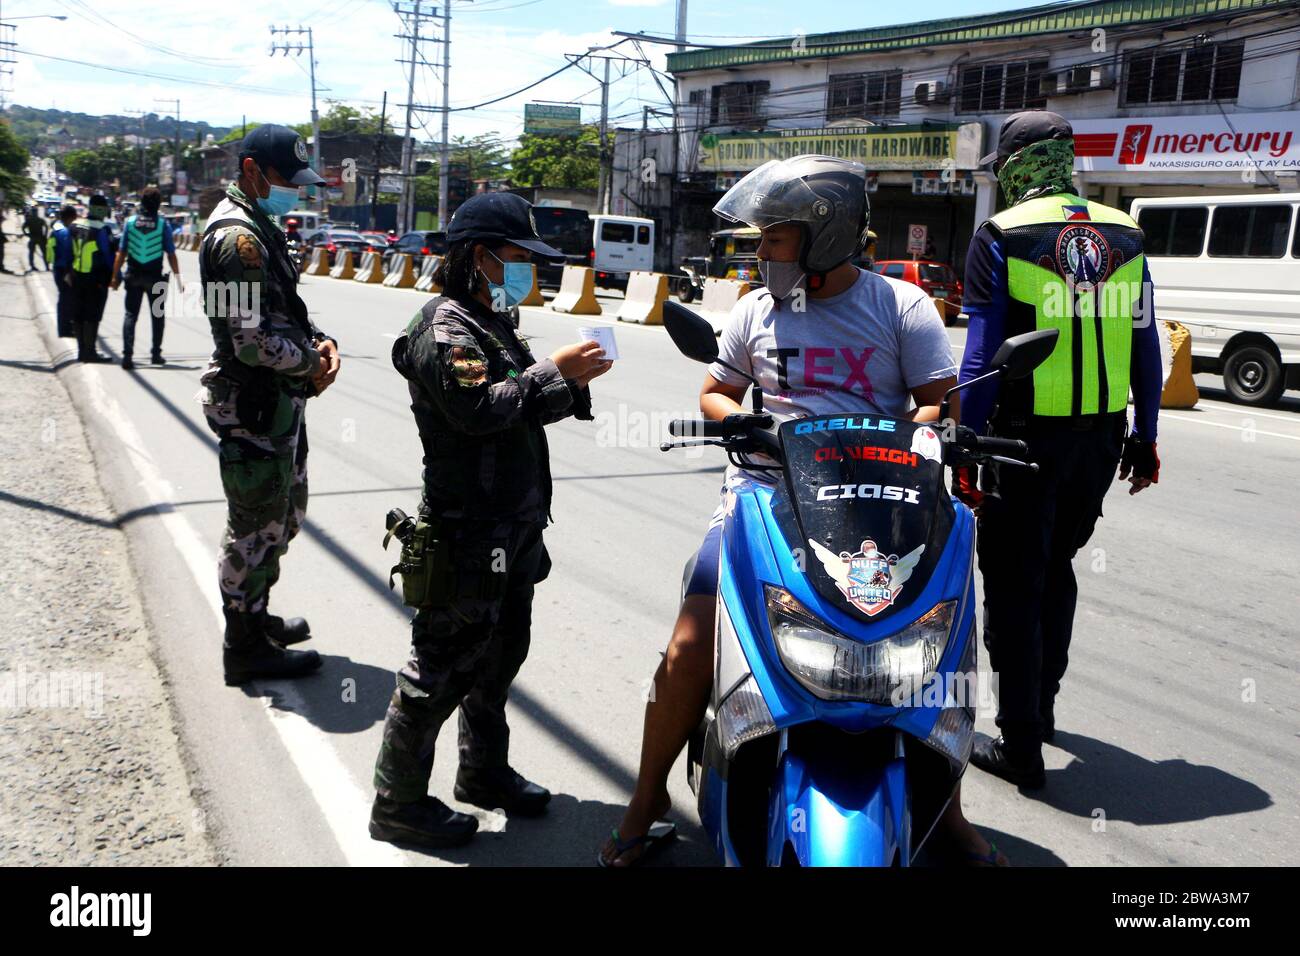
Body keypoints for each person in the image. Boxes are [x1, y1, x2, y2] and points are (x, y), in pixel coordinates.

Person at [599, 155, 1002, 866]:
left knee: (938, 649)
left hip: (882, 503)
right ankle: (646, 797)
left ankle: (952, 810)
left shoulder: (899, 307)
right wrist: (738, 421)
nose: (762, 254)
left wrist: (931, 424)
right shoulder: (757, 307)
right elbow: (717, 390)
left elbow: (941, 397)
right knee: (690, 647)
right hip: (762, 499)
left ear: (824, 235)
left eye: (774, 239)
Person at [369, 191, 611, 849]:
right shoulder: (445, 330)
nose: (525, 270)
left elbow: (523, 407)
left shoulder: (491, 319)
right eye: (516, 257)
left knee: (499, 660)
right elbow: (478, 410)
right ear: (480, 257)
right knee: (437, 673)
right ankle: (397, 804)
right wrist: (547, 371)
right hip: (468, 532)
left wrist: (575, 381)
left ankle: (482, 773)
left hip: (514, 527)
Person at [954, 111, 1162, 789]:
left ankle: (1020, 748)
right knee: (1057, 564)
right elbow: (1145, 345)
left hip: (1020, 439)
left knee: (1015, 580)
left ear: (1014, 163)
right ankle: (1039, 709)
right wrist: (1147, 436)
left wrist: (965, 444)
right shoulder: (1126, 233)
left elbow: (982, 355)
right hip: (1099, 439)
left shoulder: (1002, 234)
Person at [196, 124, 341, 685]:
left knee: (283, 516)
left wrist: (318, 343)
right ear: (252, 169)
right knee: (255, 524)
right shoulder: (237, 239)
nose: (295, 191)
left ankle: (256, 616)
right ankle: (244, 645)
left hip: (277, 400)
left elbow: (280, 313)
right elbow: (248, 342)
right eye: (286, 179)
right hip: (251, 403)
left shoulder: (261, 226)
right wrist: (310, 363)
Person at [109, 186, 183, 369]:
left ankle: (127, 356)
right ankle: (156, 354)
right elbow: (171, 254)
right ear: (158, 205)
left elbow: (121, 252)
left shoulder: (130, 222)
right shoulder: (162, 224)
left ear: (141, 203)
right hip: (155, 277)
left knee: (130, 315)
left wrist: (114, 276)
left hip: (133, 275)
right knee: (158, 315)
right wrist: (179, 277)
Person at [67, 196, 115, 363]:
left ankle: (82, 351)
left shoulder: (74, 225)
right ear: (102, 210)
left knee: (78, 314)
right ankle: (90, 352)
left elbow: (66, 251)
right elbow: (108, 258)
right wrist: (112, 277)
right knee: (92, 316)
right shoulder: (102, 229)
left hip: (75, 276)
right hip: (95, 280)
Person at [47, 205, 77, 339]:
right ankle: (65, 329)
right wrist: (68, 272)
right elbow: (67, 253)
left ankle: (65, 328)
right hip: (63, 269)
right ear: (71, 217)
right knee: (66, 299)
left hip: (57, 268)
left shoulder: (56, 229)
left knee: (65, 298)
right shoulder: (65, 232)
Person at [23, 205, 49, 272]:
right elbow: (46, 227)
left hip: (33, 237)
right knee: (44, 253)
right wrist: (45, 235)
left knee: (32, 252)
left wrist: (27, 234)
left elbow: (23, 227)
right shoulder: (40, 220)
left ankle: (32, 266)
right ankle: (46, 266)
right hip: (39, 237)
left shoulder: (29, 220)